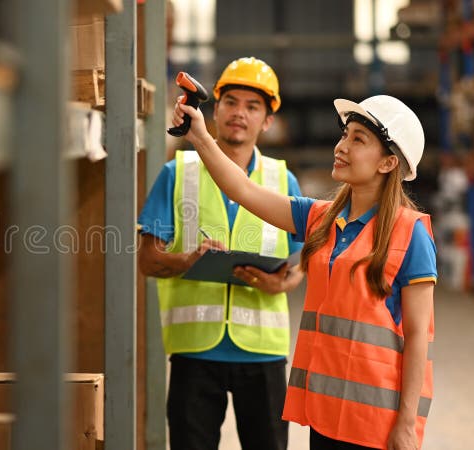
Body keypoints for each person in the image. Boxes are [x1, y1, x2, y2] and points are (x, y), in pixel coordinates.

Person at [172, 93, 436, 450]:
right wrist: (201, 136)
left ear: (388, 163)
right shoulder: (320, 220)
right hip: (326, 415)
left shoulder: (411, 232)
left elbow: (419, 335)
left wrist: (406, 423)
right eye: (345, 135)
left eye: (358, 140)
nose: (341, 146)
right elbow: (242, 188)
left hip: (377, 423)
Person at [138, 57, 305, 450]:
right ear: (215, 110)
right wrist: (187, 261)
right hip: (195, 350)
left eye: (253, 106)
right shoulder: (176, 174)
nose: (239, 113)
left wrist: (280, 284)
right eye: (231, 101)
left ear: (267, 121)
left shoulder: (284, 181)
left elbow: (303, 264)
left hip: (263, 353)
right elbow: (147, 261)